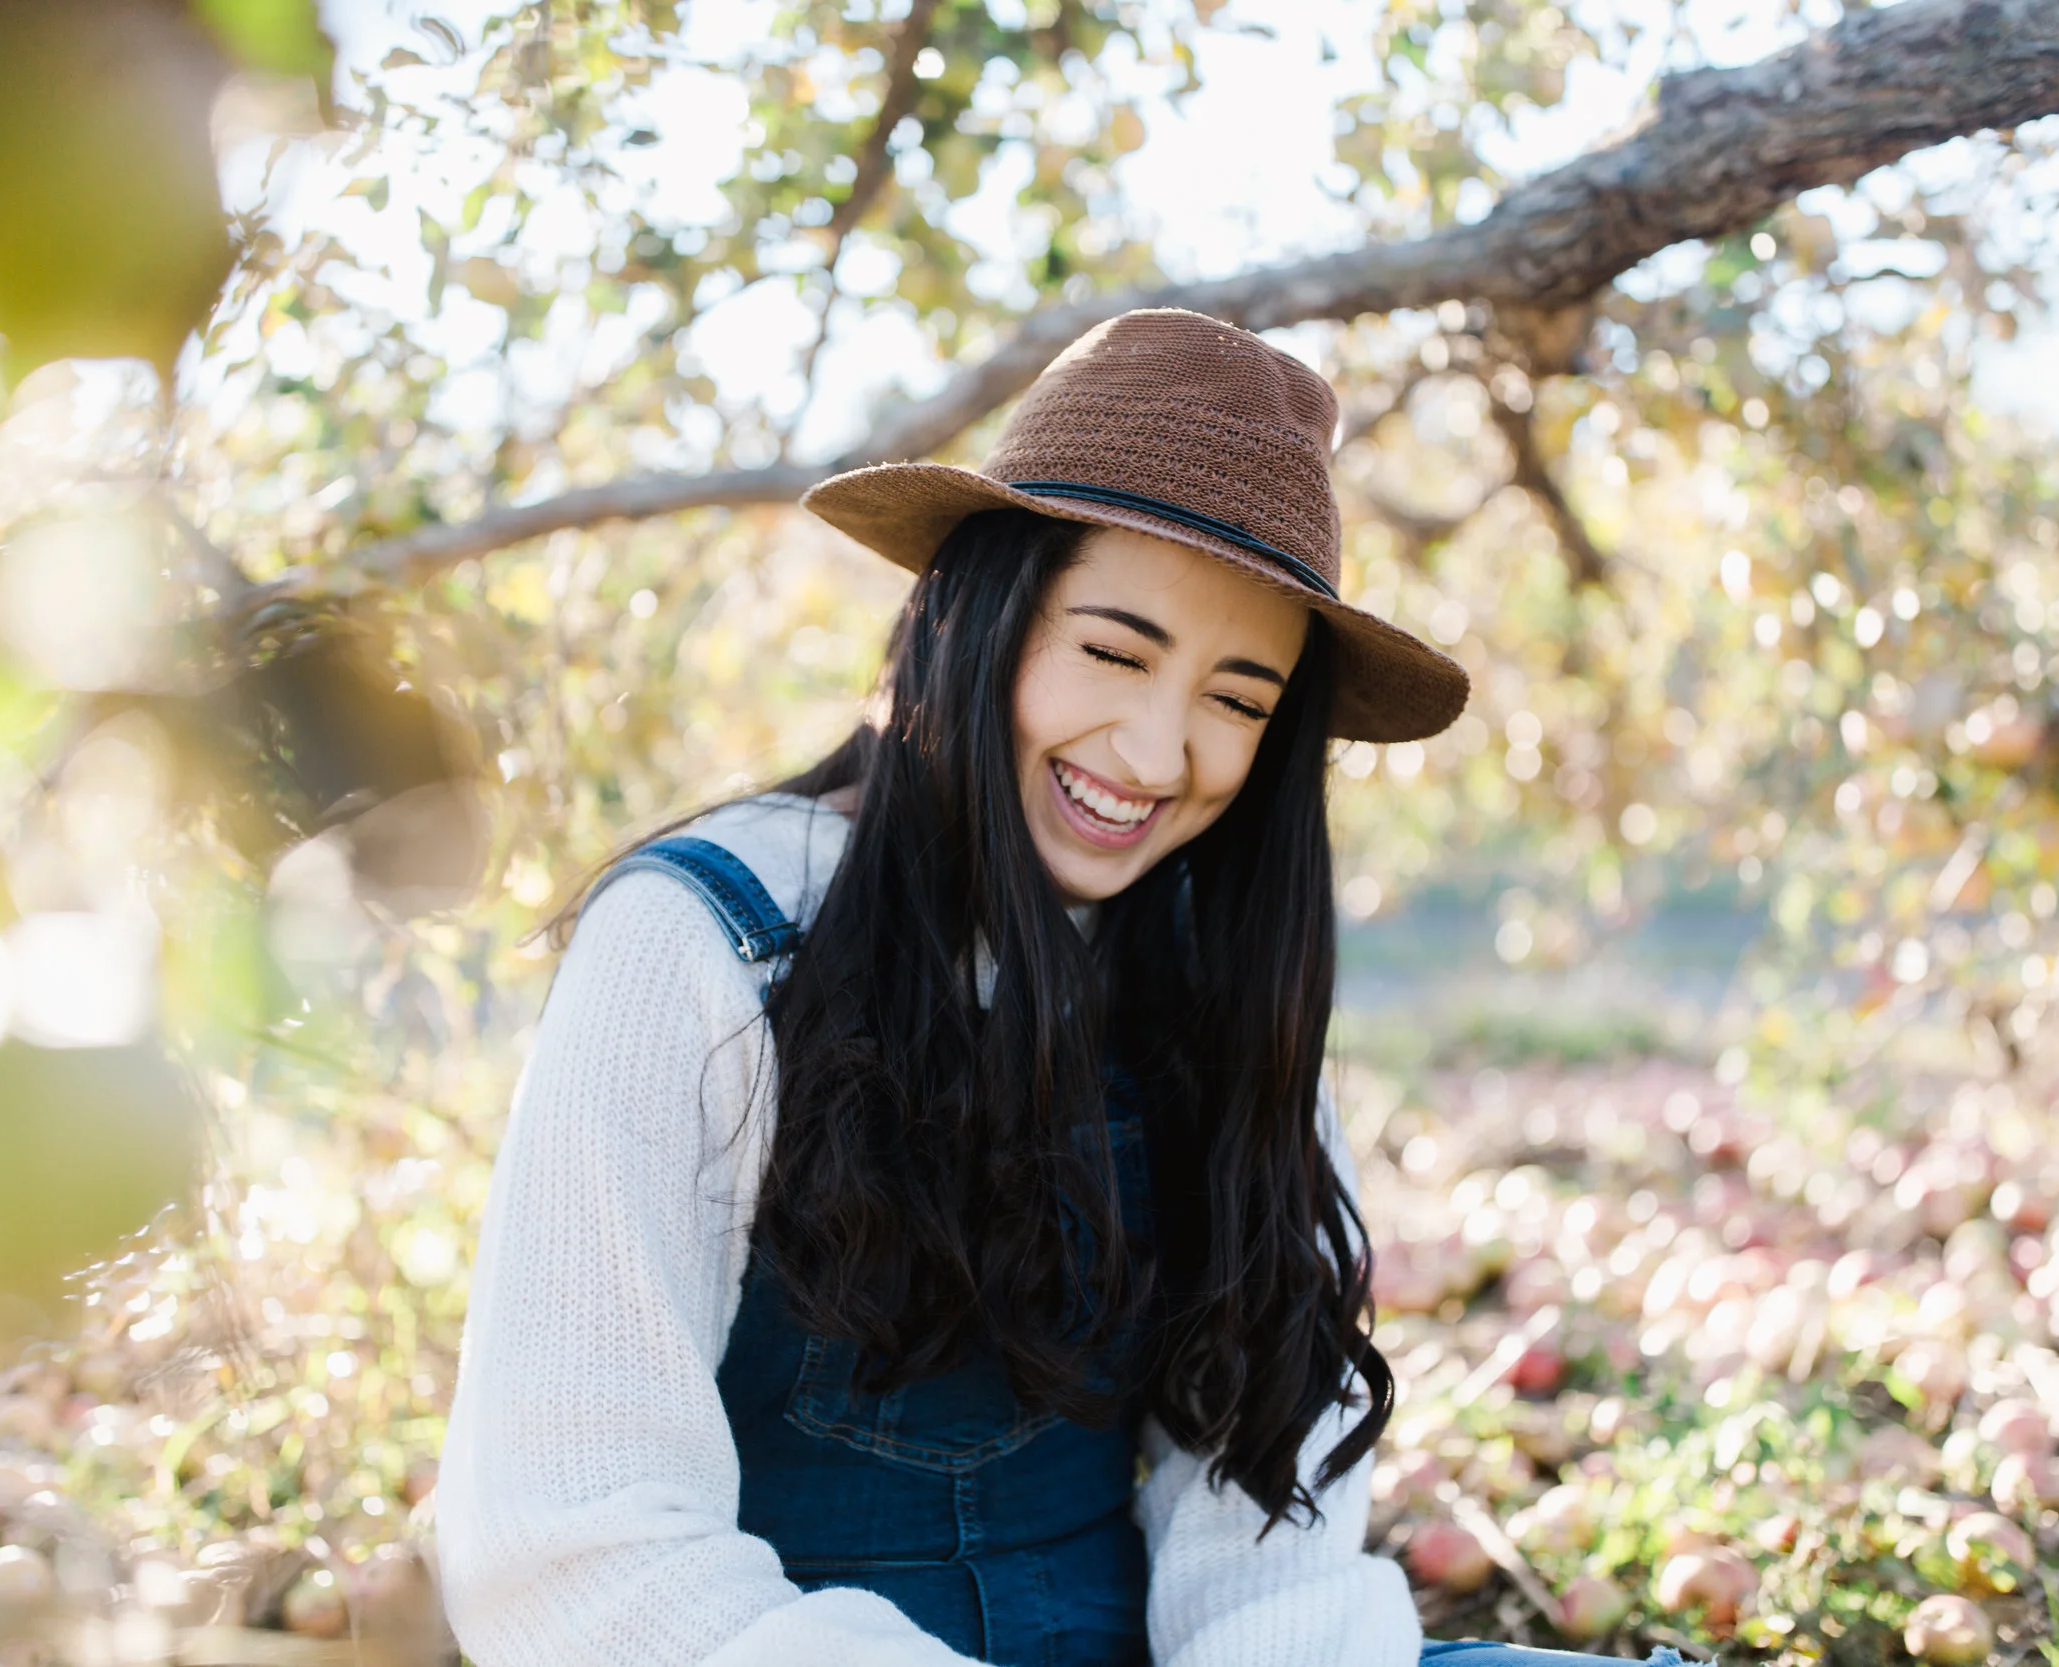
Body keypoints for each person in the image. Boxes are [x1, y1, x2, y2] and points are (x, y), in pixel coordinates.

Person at [432, 310, 1664, 1667]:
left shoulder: (1215, 995)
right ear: (975, 616)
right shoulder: (705, 944)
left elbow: (1269, 1554)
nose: (1156, 750)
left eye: (1238, 700)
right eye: (1115, 651)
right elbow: (575, 1543)